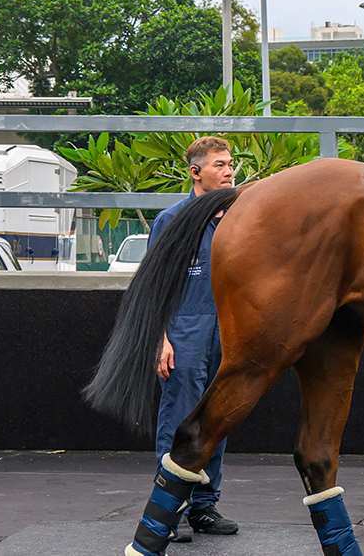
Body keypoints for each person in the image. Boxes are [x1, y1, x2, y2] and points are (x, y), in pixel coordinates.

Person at [151, 136, 239, 541]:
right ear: (195, 172)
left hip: (226, 331)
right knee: (180, 421)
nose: (229, 170)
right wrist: (160, 339)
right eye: (219, 164)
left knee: (216, 420)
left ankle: (204, 507)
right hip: (184, 330)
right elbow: (152, 288)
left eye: (230, 163)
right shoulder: (172, 221)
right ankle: (169, 512)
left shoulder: (238, 221)